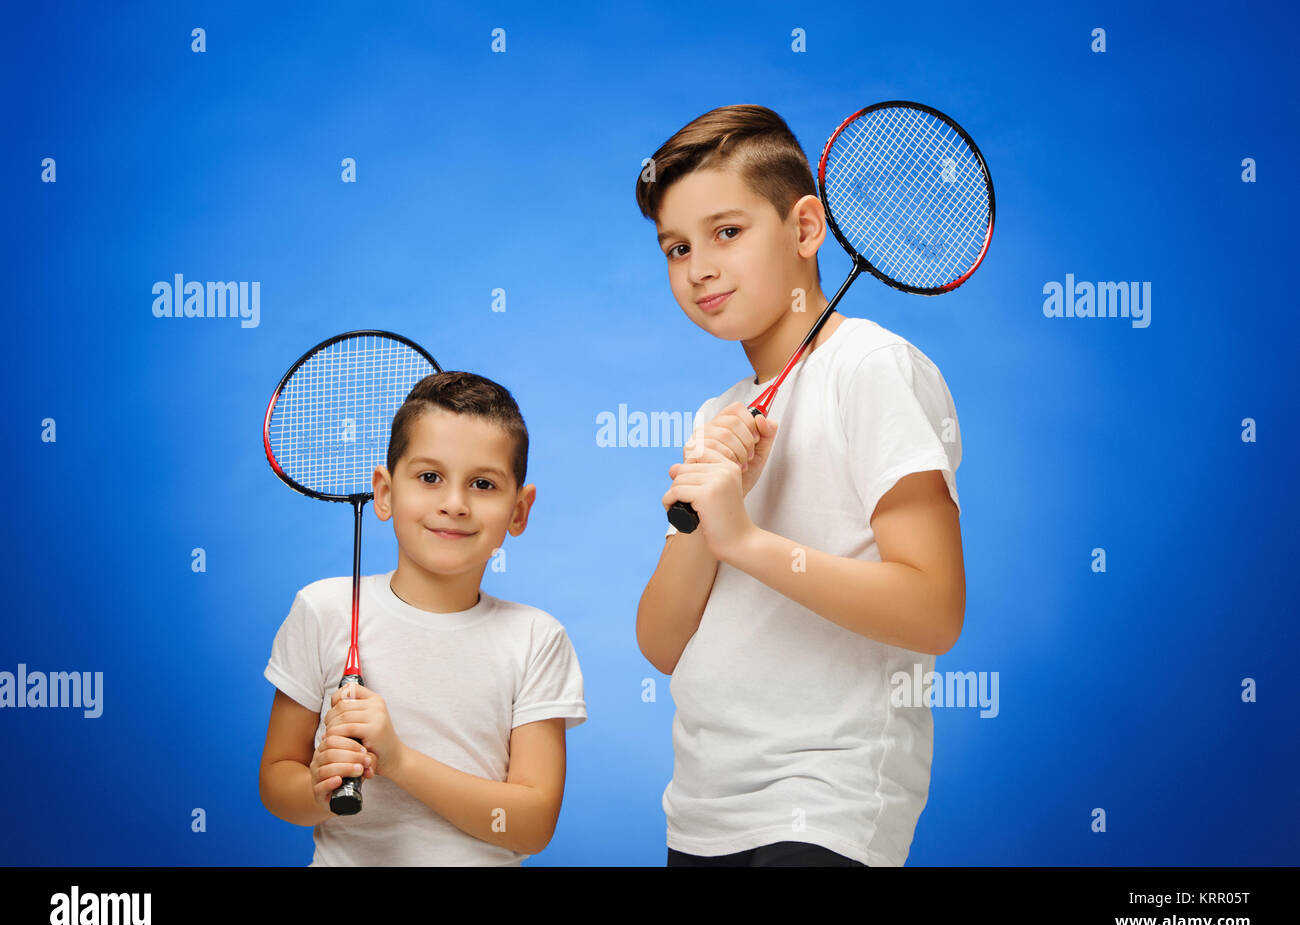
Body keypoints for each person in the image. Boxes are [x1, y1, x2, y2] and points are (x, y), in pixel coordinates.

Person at [634, 104, 966, 867]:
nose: (700, 268)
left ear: (806, 229)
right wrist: (709, 517)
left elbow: (934, 611)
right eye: (676, 247)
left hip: (827, 797)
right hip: (705, 803)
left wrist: (746, 540)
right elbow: (661, 642)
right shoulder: (719, 415)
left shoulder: (872, 368)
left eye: (727, 232)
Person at [258, 371, 586, 865]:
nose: (454, 504)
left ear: (519, 511)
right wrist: (319, 785)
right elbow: (277, 782)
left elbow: (532, 826)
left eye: (482, 483)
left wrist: (399, 761)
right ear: (384, 494)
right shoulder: (324, 611)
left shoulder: (536, 639)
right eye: (429, 477)